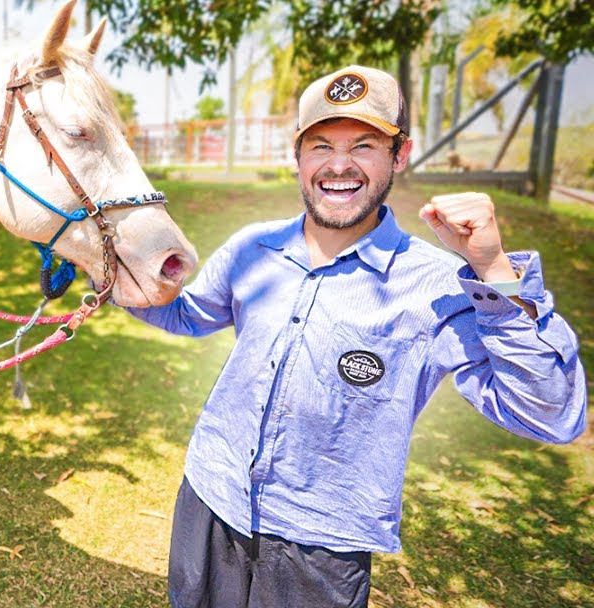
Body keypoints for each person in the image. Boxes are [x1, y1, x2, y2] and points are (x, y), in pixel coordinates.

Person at [126, 65, 587, 607]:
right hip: (211, 495)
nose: (338, 164)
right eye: (321, 144)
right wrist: (103, 273)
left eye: (364, 145)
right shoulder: (253, 248)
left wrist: (493, 268)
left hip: (321, 545)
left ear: (400, 155)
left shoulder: (436, 286)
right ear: (297, 157)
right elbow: (185, 315)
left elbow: (551, 414)